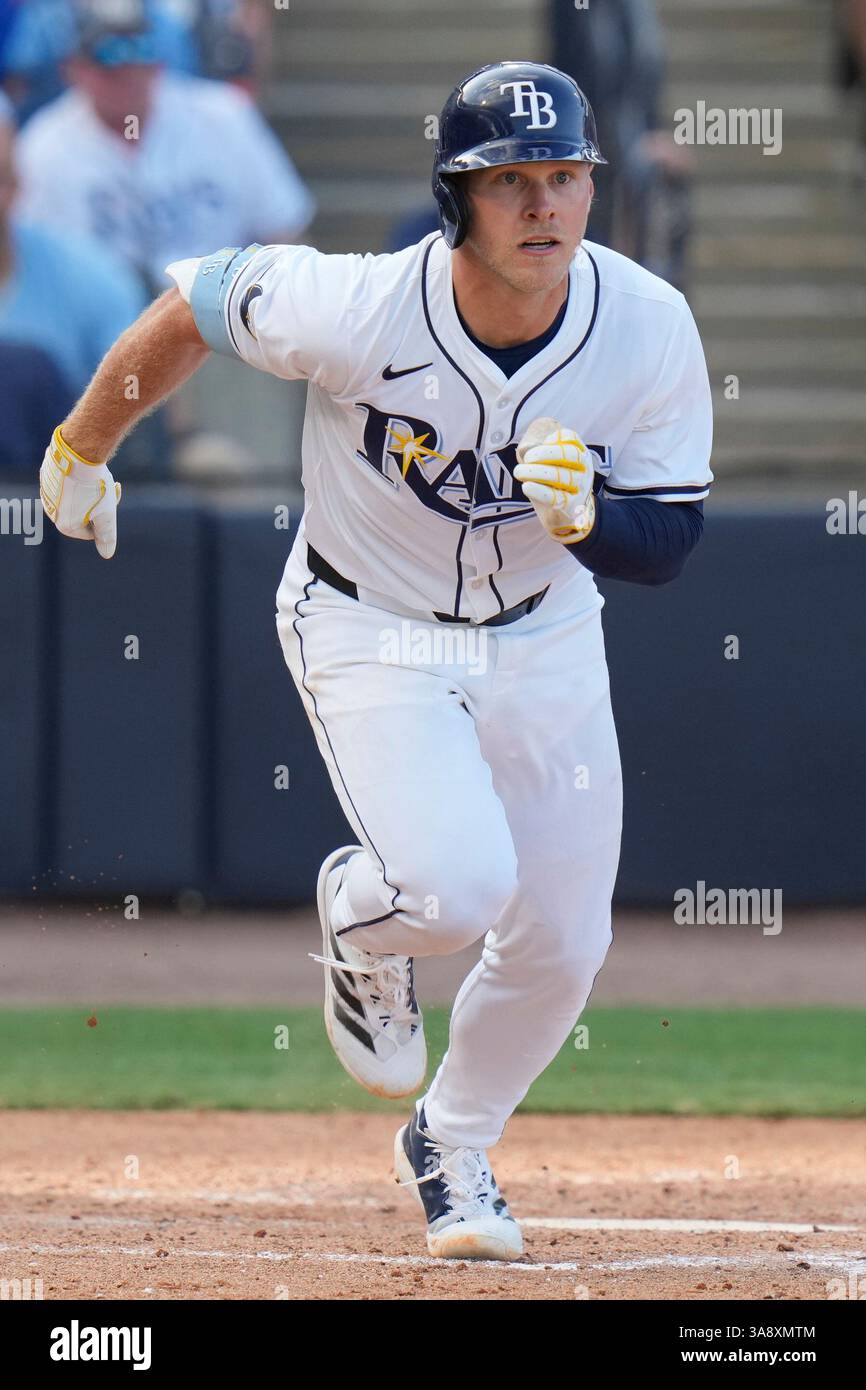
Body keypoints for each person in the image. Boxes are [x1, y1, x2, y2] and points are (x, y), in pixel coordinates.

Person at [38, 61, 712, 1261]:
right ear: (459, 197)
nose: (545, 206)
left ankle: (450, 1143)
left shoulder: (646, 324)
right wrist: (83, 448)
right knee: (454, 889)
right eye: (512, 183)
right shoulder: (358, 305)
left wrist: (590, 523)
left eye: (565, 177)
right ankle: (365, 924)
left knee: (566, 938)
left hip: (545, 627)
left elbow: (666, 541)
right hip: (368, 620)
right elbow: (194, 301)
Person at [15, 1, 314, 295]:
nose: (127, 71)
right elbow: (33, 268)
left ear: (159, 60)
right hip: (104, 329)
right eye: (107, 58)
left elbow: (286, 232)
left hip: (222, 318)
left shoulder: (224, 116)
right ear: (74, 69)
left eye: (140, 52)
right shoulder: (43, 146)